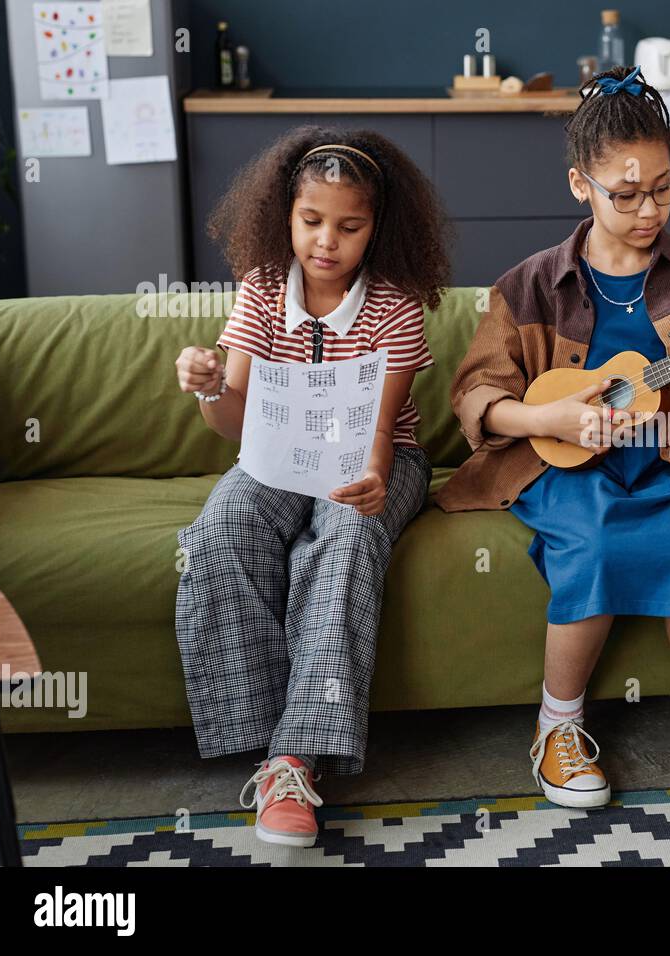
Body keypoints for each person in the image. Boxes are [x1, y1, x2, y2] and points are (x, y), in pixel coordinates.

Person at [435, 66, 670, 808]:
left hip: (669, 459)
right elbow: (475, 398)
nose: (649, 208)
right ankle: (557, 726)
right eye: (626, 194)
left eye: (663, 187)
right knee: (589, 541)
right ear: (580, 185)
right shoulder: (527, 285)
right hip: (562, 467)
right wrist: (545, 418)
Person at [173, 126, 451, 847]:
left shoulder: (394, 303)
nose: (326, 241)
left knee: (347, 534)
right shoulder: (262, 290)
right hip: (274, 458)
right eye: (311, 220)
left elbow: (380, 437)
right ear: (284, 215)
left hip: (374, 457)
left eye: (349, 226)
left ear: (377, 229)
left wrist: (368, 483)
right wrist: (207, 388)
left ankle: (297, 758)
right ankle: (269, 744)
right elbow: (231, 425)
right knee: (220, 529)